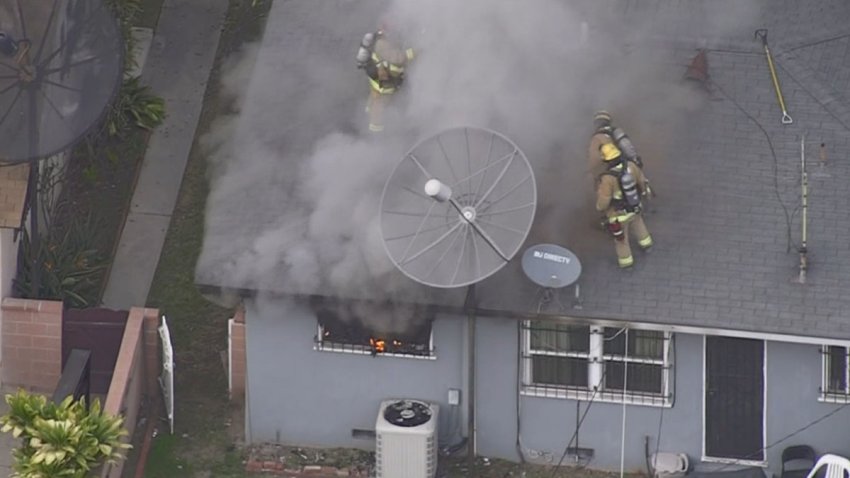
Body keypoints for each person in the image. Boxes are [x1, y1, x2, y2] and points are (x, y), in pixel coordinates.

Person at [596, 143, 653, 269]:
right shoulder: (631, 166)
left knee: (621, 240)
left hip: (618, 215)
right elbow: (642, 182)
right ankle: (646, 245)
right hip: (635, 207)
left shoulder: (607, 178)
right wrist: (645, 195)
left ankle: (626, 263)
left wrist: (599, 208)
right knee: (639, 225)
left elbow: (604, 200)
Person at [358, 20, 414, 133]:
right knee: (381, 106)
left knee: (375, 100)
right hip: (386, 84)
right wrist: (416, 52)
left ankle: (370, 121)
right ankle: (377, 134)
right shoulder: (382, 44)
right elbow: (398, 58)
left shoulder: (378, 40)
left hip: (379, 82)